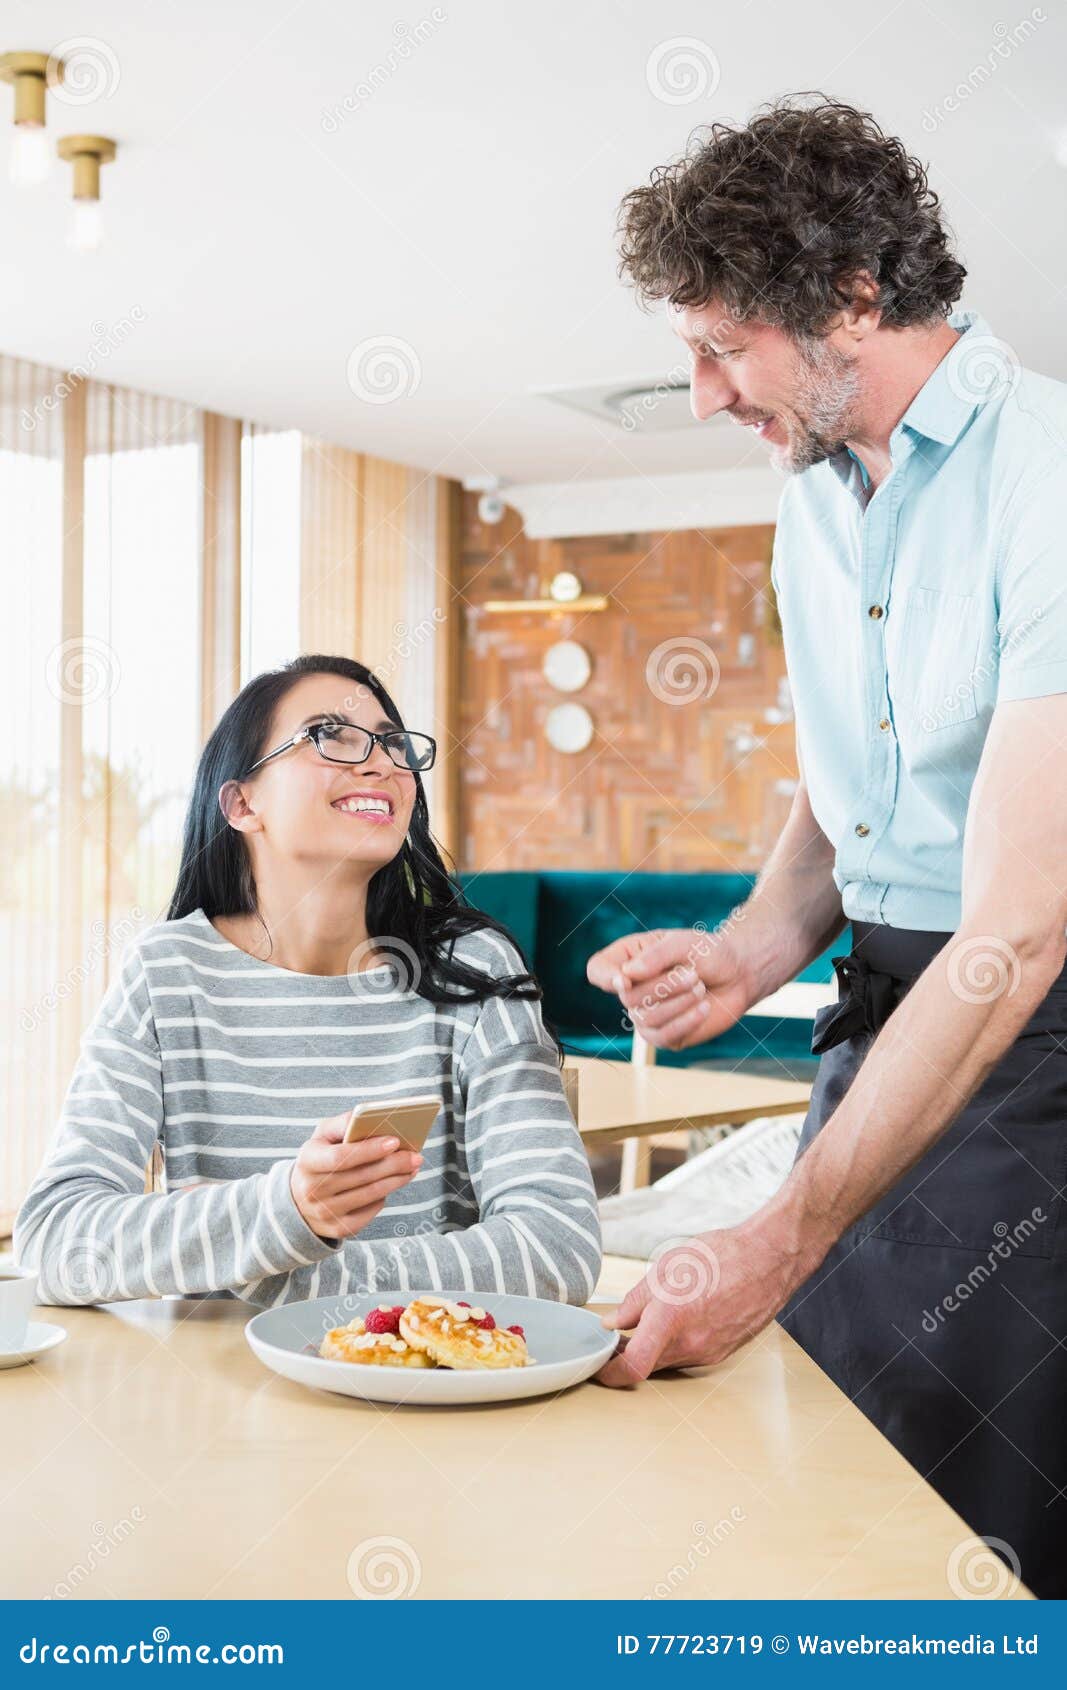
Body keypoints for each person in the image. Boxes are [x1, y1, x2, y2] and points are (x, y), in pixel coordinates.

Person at [587, 95, 1067, 1598]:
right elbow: (846, 782)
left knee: (970, 1510)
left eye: (721, 345)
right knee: (833, 1465)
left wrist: (778, 1230)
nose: (697, 393)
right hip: (881, 1014)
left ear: (850, 297)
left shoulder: (1045, 474)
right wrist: (747, 946)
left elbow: (1017, 925)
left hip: (1025, 1037)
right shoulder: (814, 496)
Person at [16, 655, 601, 1309]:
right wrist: (288, 1206)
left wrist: (268, 1260)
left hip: (425, 1393)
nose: (381, 762)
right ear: (243, 803)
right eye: (332, 735)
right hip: (225, 1396)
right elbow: (55, 1242)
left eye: (391, 742)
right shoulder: (167, 974)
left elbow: (558, 1252)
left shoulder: (474, 968)